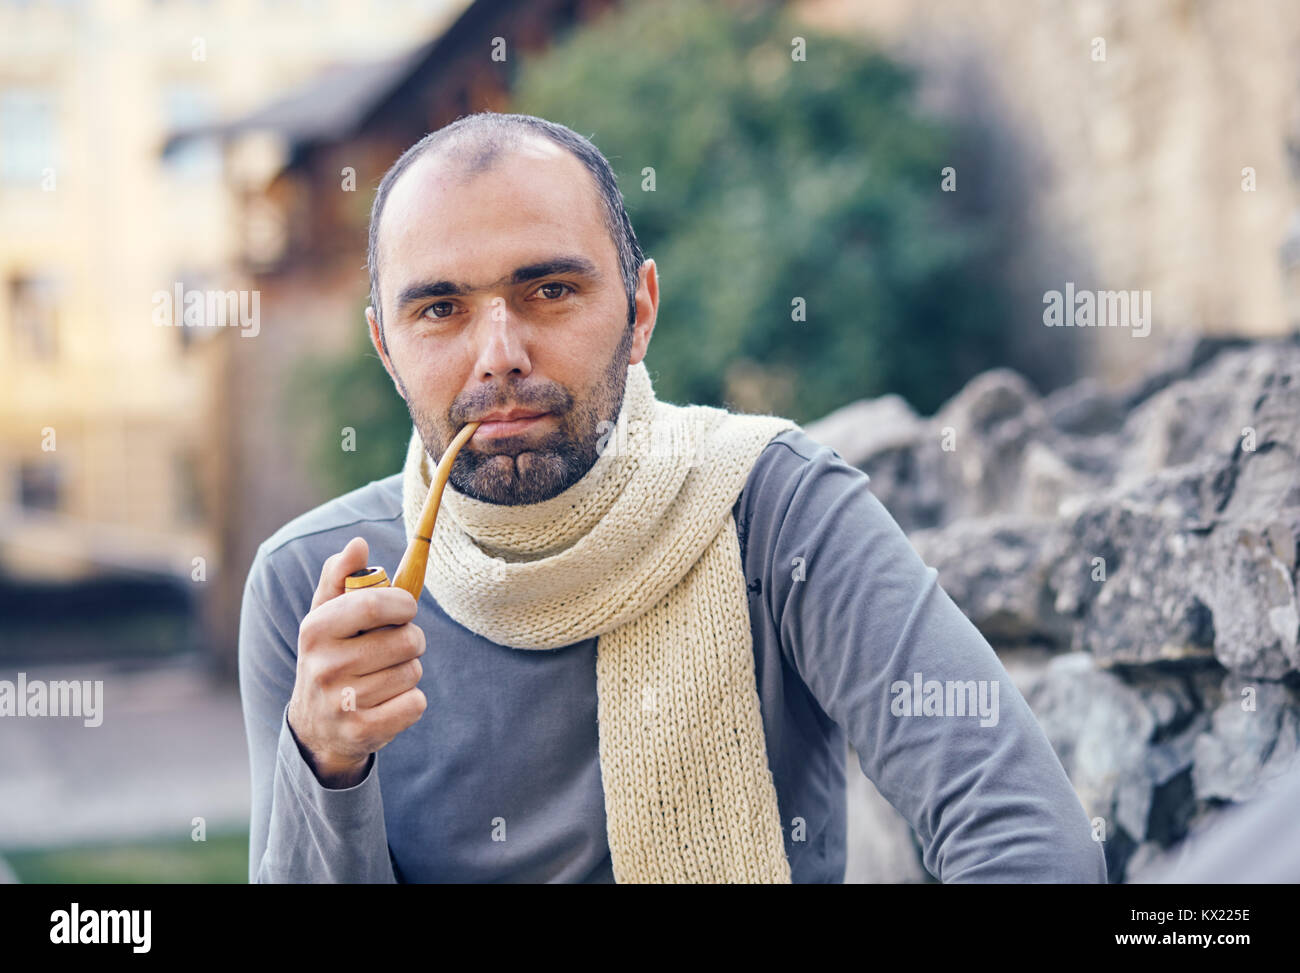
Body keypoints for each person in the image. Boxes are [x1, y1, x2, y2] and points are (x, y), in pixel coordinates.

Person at [237, 111, 1106, 883]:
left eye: (549, 291)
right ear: (386, 347)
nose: (498, 354)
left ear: (640, 310)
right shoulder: (307, 589)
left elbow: (1029, 839)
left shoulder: (778, 507)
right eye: (440, 309)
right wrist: (327, 761)